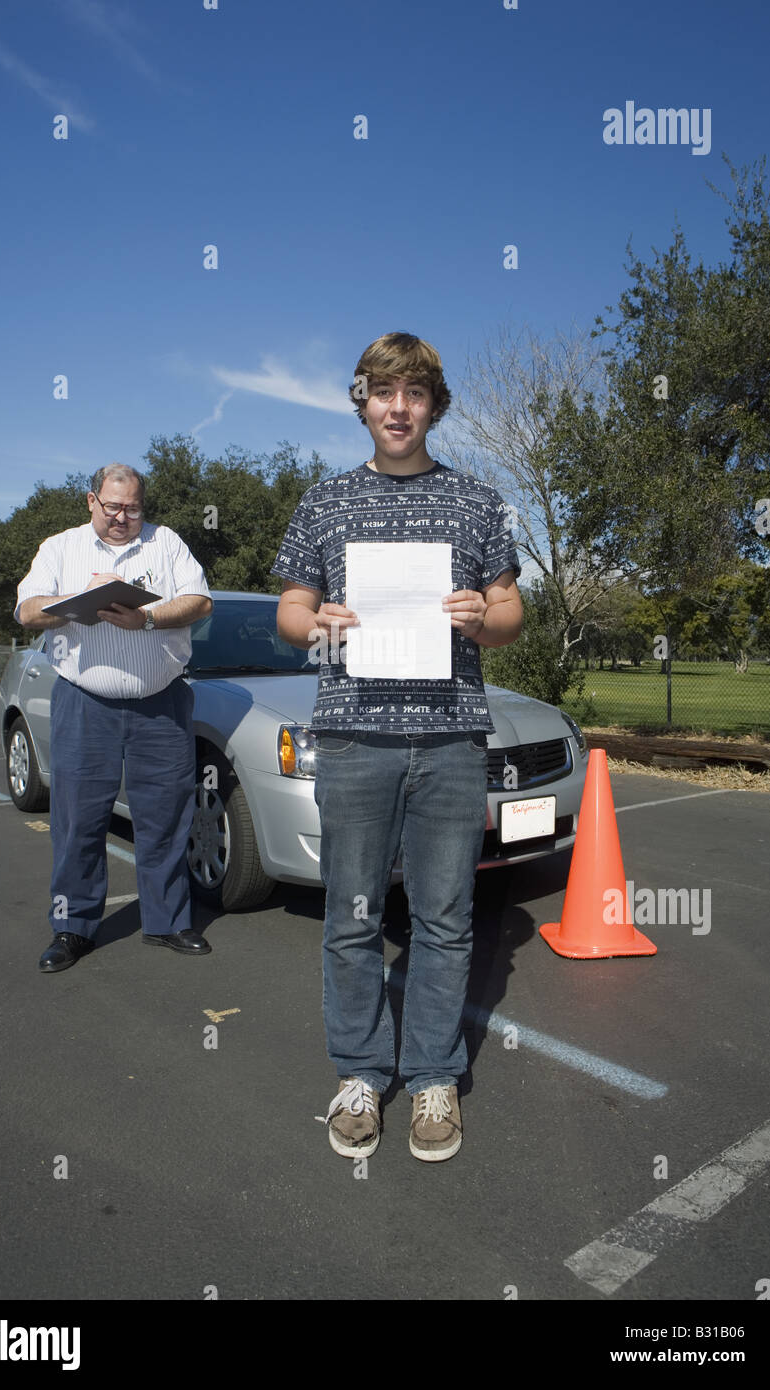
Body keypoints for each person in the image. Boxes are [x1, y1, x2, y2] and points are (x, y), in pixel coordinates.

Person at [272, 332, 523, 1161]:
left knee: (446, 920)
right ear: (364, 402)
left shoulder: (478, 502)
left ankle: (431, 1078)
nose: (399, 407)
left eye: (415, 393)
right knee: (352, 916)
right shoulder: (325, 501)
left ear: (434, 406)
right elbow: (288, 615)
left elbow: (511, 612)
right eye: (384, 392)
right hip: (352, 737)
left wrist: (482, 620)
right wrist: (320, 625)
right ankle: (358, 1072)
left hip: (451, 737)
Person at [14, 463, 213, 972]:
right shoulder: (60, 548)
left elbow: (199, 601)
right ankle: (71, 928)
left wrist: (146, 617)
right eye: (112, 507)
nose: (122, 517)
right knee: (78, 820)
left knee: (167, 819)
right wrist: (80, 603)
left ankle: (168, 921)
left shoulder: (166, 543)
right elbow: (27, 610)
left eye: (133, 508)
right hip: (85, 703)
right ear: (91, 501)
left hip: (161, 702)